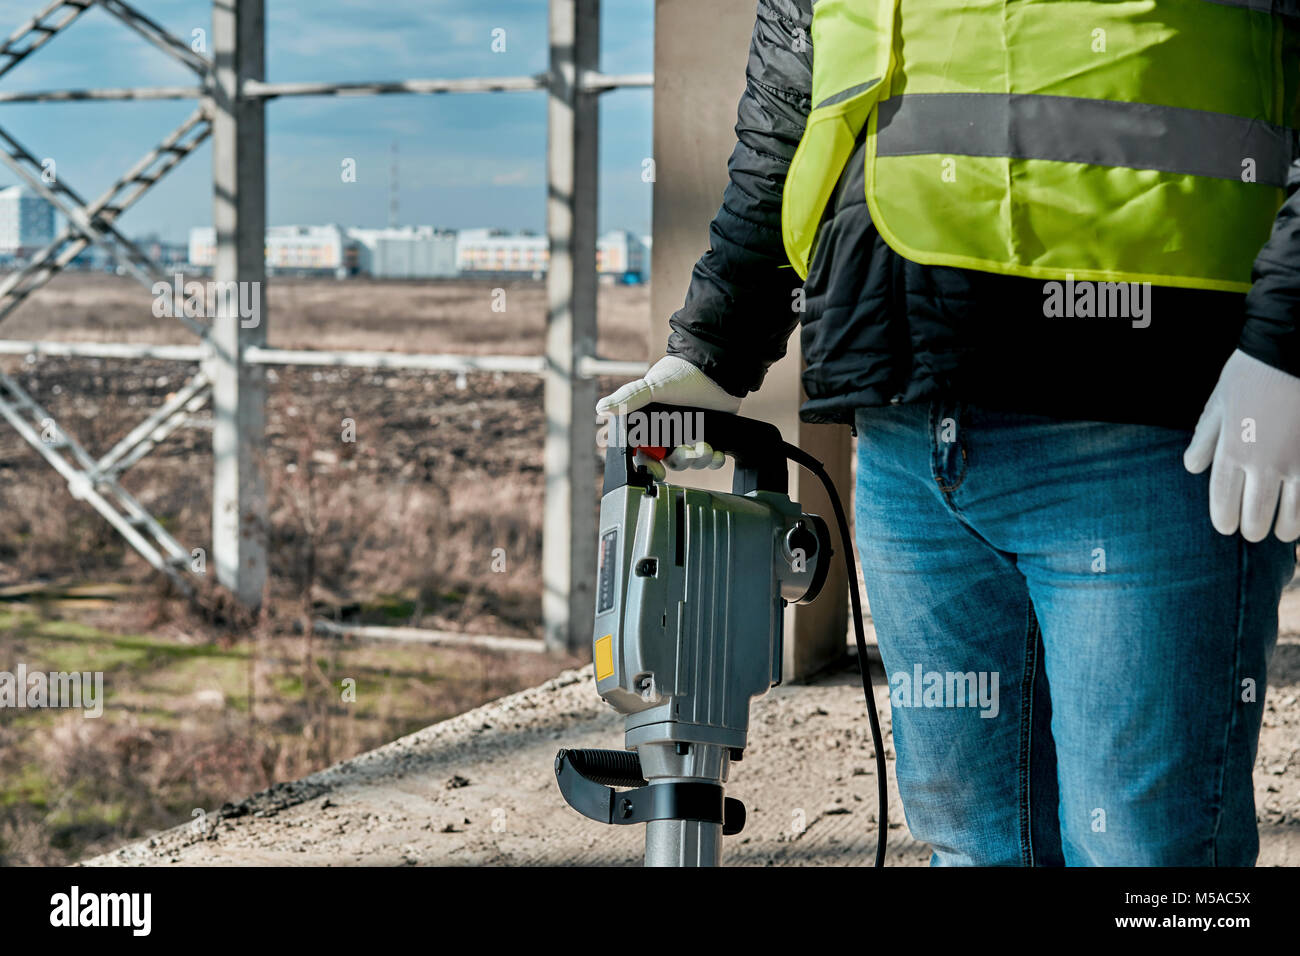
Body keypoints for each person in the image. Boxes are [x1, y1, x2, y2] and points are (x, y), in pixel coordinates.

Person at [596, 0, 1300, 866]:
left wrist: (1287, 338)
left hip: (1147, 414)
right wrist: (716, 344)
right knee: (973, 845)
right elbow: (794, 85)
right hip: (904, 416)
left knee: (1147, 860)